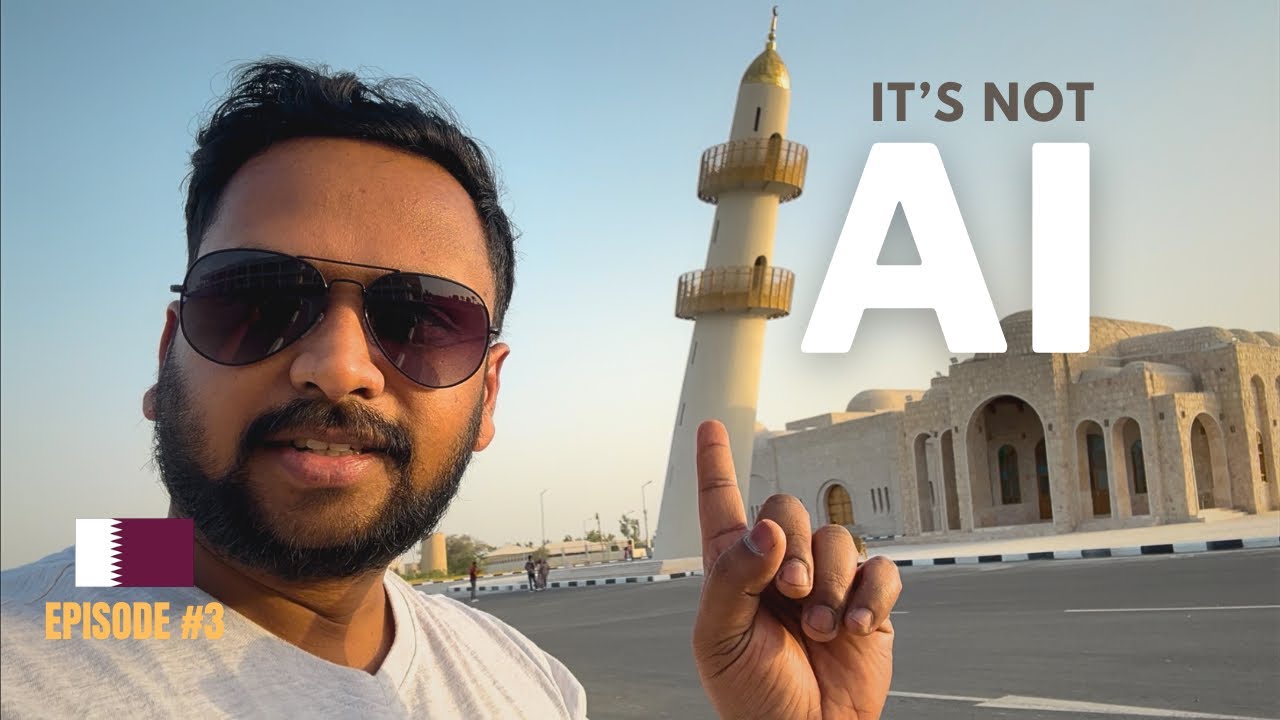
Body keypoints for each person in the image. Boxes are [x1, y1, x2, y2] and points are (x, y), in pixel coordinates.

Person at [0, 58, 901, 719]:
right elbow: (108, 563)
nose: (339, 365)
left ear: (488, 399)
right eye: (257, 301)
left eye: (421, 321)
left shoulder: (528, 687)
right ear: (167, 356)